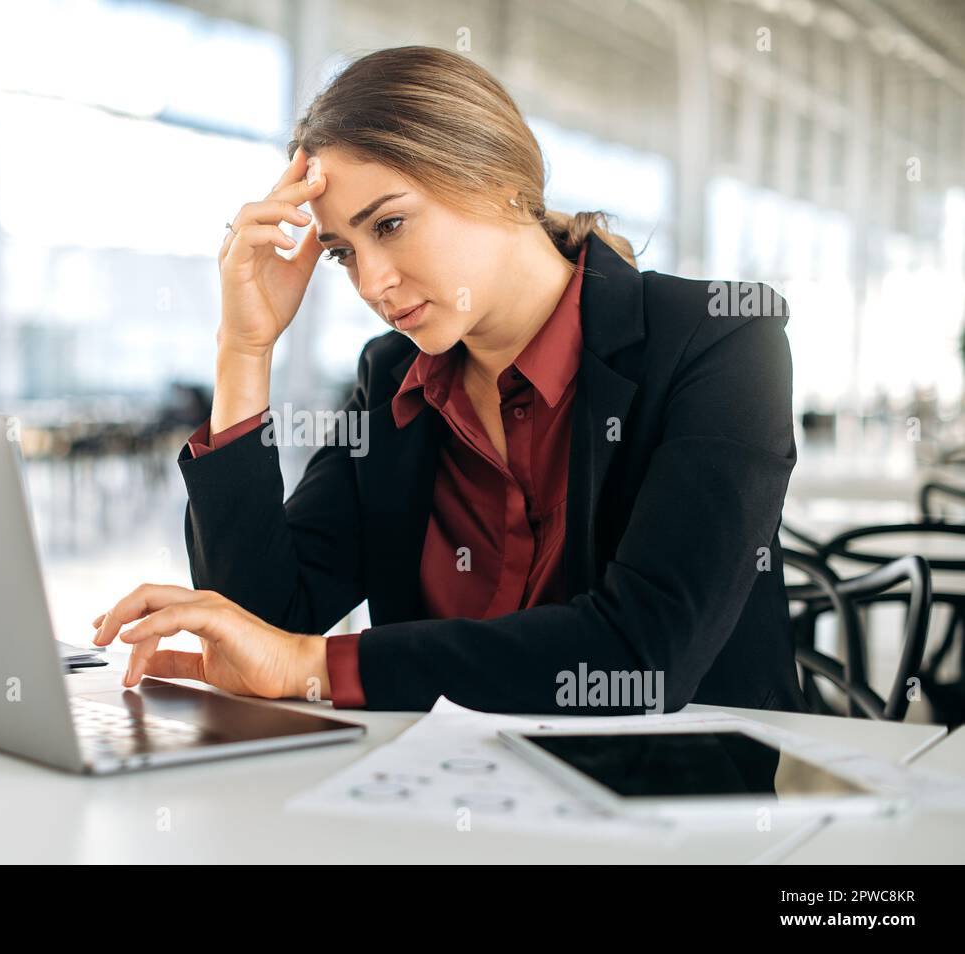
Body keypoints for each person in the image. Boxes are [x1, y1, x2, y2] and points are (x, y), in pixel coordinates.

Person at [92, 46, 805, 715]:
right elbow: (263, 626)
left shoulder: (720, 342)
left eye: (392, 224)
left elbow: (644, 655)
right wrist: (244, 351)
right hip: (440, 800)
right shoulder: (392, 378)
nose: (372, 282)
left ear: (496, 182)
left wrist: (316, 666)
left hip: (671, 815)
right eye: (343, 252)